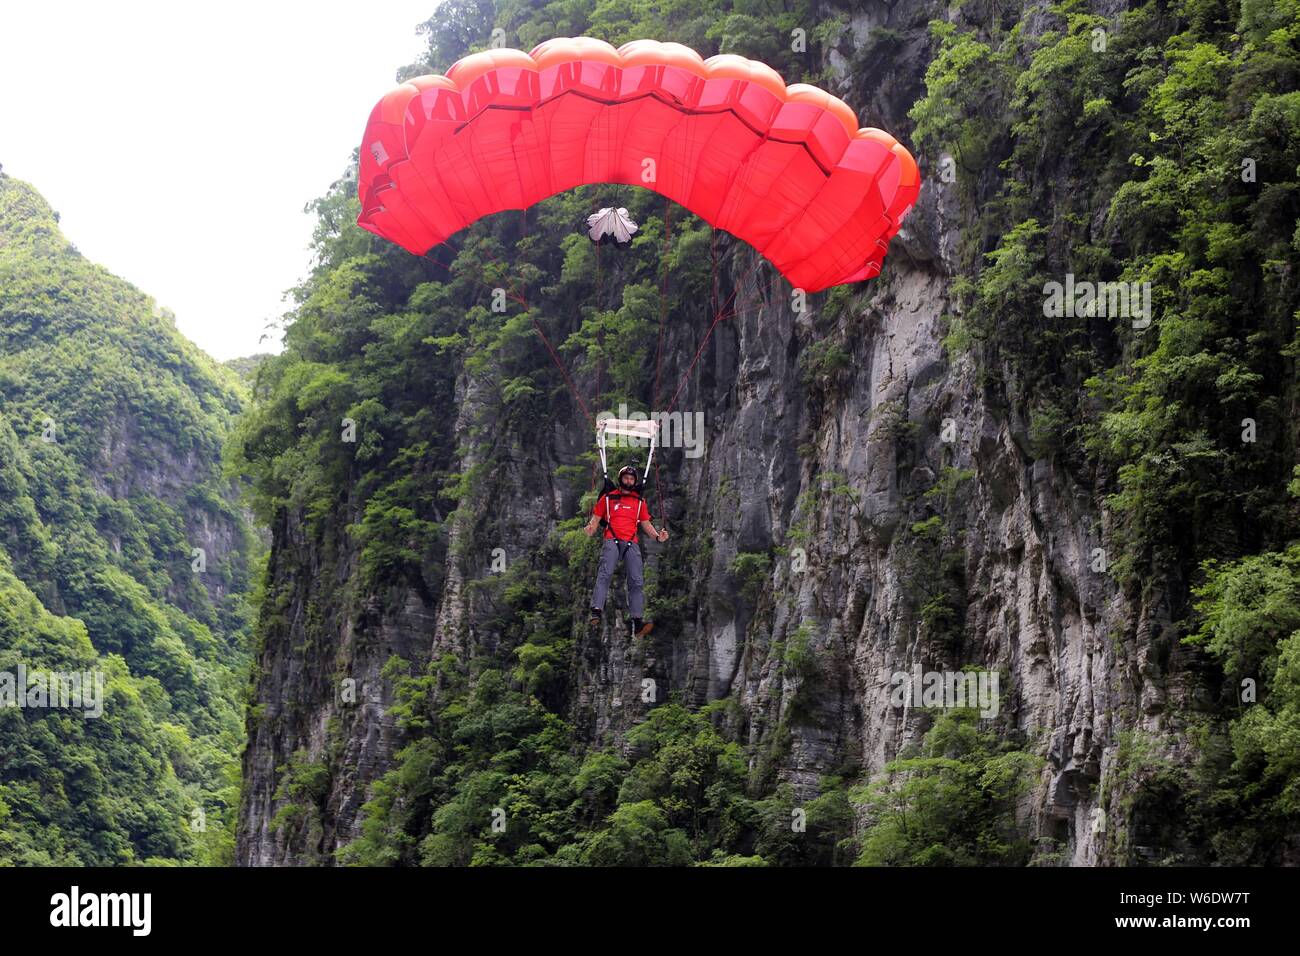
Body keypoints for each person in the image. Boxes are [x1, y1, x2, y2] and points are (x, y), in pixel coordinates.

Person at [584, 465, 668, 637]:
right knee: (605, 574)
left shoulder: (639, 502)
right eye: (626, 478)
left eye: (632, 479)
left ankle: (637, 622)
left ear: (635, 481)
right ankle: (596, 611)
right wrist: (590, 529)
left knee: (636, 582)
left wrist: (658, 537)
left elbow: (646, 524)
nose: (629, 481)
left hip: (631, 542)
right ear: (620, 479)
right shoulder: (608, 498)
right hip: (612, 540)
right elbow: (595, 520)